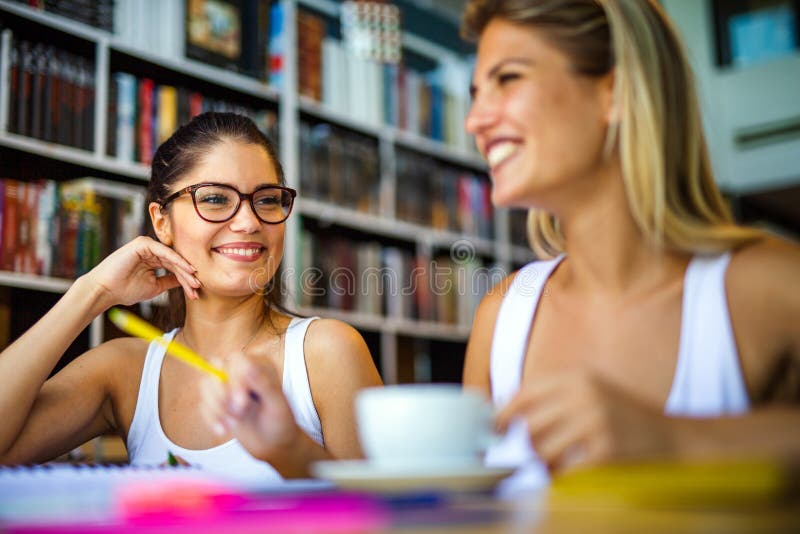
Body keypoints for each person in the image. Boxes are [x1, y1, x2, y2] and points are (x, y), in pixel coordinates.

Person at [461, 0, 800, 493]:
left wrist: (675, 441)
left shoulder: (766, 286)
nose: (475, 120)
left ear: (614, 92)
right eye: (475, 93)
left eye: (508, 79)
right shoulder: (503, 314)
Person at [0, 112, 383, 484]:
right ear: (161, 222)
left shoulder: (327, 351)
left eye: (267, 200)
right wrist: (91, 291)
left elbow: (395, 518)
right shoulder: (125, 372)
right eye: (215, 199)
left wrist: (292, 451)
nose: (249, 222)